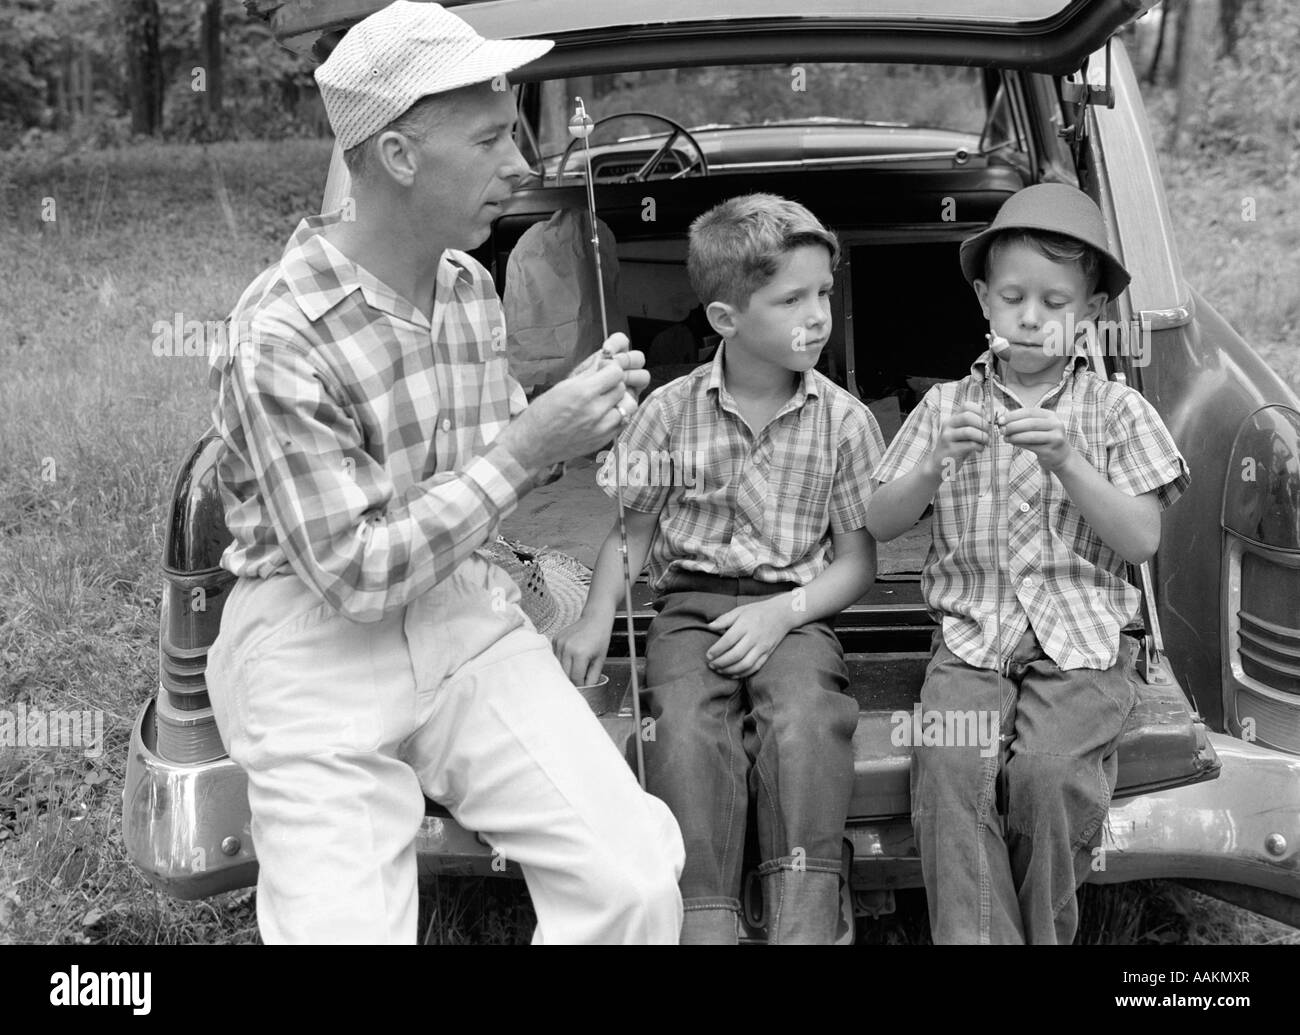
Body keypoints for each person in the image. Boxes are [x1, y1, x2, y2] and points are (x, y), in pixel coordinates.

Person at [204, 1, 683, 944]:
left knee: (633, 880)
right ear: (398, 156)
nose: (523, 165)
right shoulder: (279, 336)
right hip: (313, 642)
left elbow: (491, 456)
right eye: (492, 138)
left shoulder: (469, 286)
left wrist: (576, 417)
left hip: (465, 610)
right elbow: (357, 573)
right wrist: (529, 445)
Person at [865, 183, 1191, 944]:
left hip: (1083, 646)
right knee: (951, 772)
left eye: (1055, 301)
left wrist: (1072, 463)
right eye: (1013, 298)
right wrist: (930, 465)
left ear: (1093, 311)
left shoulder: (1117, 411)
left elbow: (1141, 540)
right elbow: (880, 520)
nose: (1032, 317)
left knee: (1047, 776)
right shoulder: (945, 406)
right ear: (985, 299)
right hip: (972, 639)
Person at [555, 193, 884, 944]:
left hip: (795, 611)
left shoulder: (846, 421)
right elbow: (631, 533)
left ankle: (806, 917)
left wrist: (782, 613)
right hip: (688, 609)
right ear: (725, 319)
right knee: (683, 730)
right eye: (791, 299)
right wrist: (597, 616)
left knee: (806, 720)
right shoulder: (666, 412)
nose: (817, 316)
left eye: (824, 293)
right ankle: (703, 919)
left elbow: (858, 561)